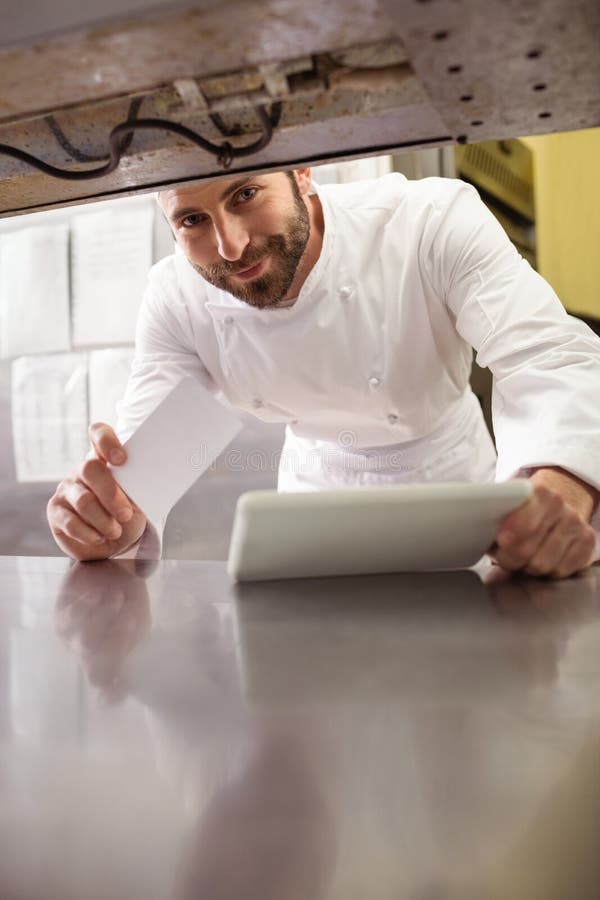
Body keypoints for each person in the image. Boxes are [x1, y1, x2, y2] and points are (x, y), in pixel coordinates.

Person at [47, 167, 600, 577]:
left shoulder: (428, 221)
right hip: (312, 506)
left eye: (245, 195)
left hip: (452, 490)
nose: (231, 246)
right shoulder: (177, 298)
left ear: (302, 173)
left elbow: (544, 354)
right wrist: (107, 515)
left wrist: (562, 481)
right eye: (193, 220)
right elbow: (147, 461)